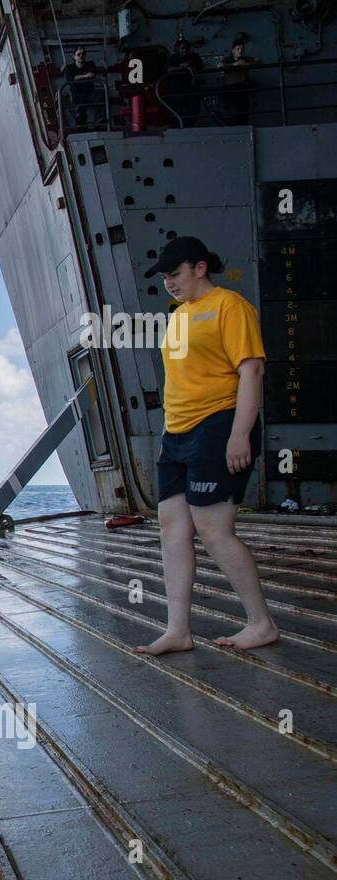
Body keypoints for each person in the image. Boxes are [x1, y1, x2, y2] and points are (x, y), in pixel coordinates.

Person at [135, 235, 277, 655]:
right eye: (164, 277)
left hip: (218, 426)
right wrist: (168, 430)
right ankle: (178, 630)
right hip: (176, 434)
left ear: (200, 268)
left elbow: (251, 372)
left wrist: (238, 434)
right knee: (171, 528)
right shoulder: (179, 315)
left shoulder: (230, 307)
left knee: (214, 530)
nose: (170, 283)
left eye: (175, 274)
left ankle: (261, 623)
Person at [165, 35, 204, 126]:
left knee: (192, 112)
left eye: (186, 48)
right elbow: (168, 69)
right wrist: (183, 66)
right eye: (182, 48)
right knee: (175, 112)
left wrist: (189, 64)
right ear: (178, 49)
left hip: (190, 89)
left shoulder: (194, 57)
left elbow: (200, 66)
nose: (185, 50)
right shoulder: (173, 58)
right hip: (175, 90)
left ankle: (189, 126)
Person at [218, 33, 256, 126]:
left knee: (244, 109)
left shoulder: (245, 59)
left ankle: (241, 124)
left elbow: (257, 61)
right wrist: (234, 65)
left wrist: (247, 64)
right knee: (233, 110)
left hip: (242, 87)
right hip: (230, 88)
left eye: (242, 49)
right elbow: (220, 66)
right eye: (238, 49)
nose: (240, 51)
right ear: (233, 50)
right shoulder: (227, 60)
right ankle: (233, 125)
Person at [63, 46, 104, 129]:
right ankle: (81, 126)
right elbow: (69, 78)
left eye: (83, 54)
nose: (81, 56)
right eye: (78, 54)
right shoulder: (69, 68)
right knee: (79, 112)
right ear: (74, 56)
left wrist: (78, 77)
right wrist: (85, 76)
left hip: (90, 92)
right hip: (77, 94)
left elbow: (92, 75)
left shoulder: (90, 64)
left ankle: (99, 121)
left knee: (100, 96)